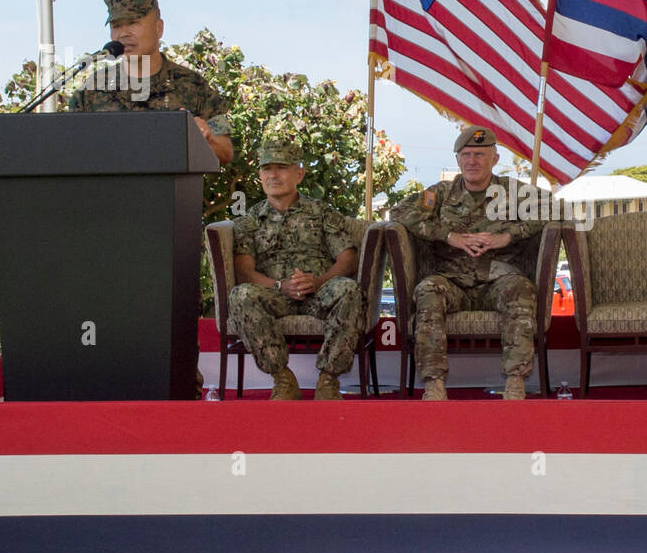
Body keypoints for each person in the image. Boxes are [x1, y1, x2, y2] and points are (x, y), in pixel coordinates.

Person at [389, 126, 543, 401]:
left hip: (499, 280)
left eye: (480, 155)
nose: (472, 161)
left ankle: (515, 381)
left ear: (495, 159)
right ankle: (434, 384)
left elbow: (552, 210)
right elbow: (400, 211)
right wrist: (450, 237)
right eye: (466, 155)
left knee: (521, 289)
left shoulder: (514, 192)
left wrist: (506, 237)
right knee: (427, 290)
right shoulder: (439, 194)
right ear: (458, 159)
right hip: (452, 282)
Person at [228, 140, 363, 400]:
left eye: (281, 167)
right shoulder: (250, 221)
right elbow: (244, 271)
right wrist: (280, 286)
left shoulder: (321, 212)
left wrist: (319, 281)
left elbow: (348, 258)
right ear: (260, 176)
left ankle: (328, 381)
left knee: (349, 289)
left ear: (299, 173)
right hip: (276, 295)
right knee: (241, 295)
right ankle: (283, 380)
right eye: (267, 169)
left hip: (318, 293)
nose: (273, 175)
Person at [66, 0, 234, 165]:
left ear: (159, 28)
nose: (123, 33)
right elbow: (68, 151)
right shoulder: (92, 89)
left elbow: (226, 153)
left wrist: (204, 137)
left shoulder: (193, 85)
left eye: (133, 23)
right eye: (116, 26)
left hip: (174, 191)